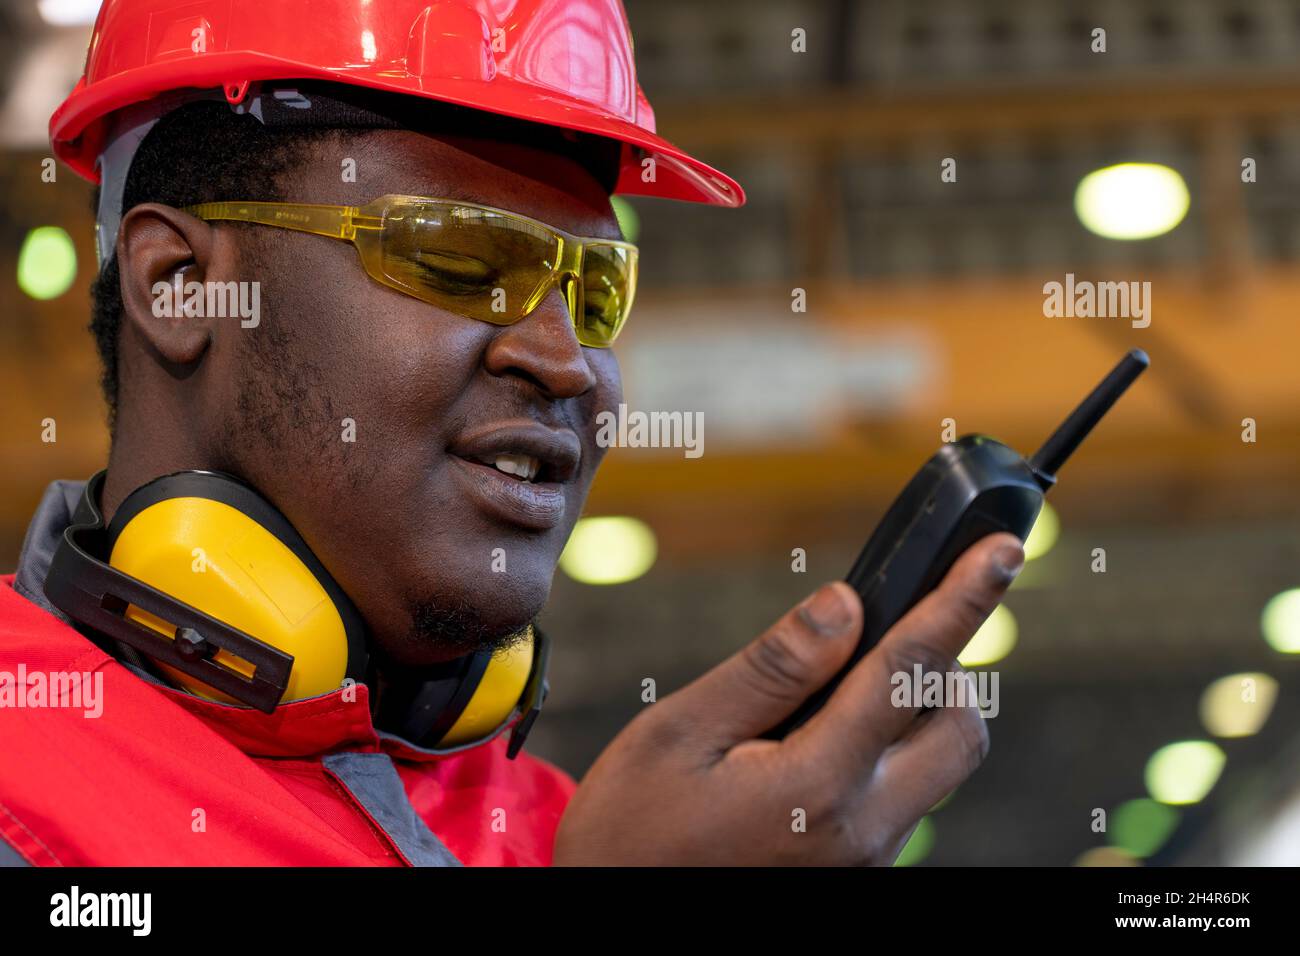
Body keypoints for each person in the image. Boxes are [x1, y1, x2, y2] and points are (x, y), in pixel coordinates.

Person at [0, 0, 1023, 866]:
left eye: (595, 293)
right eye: (456, 258)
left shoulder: (564, 829)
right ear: (180, 286)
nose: (565, 358)